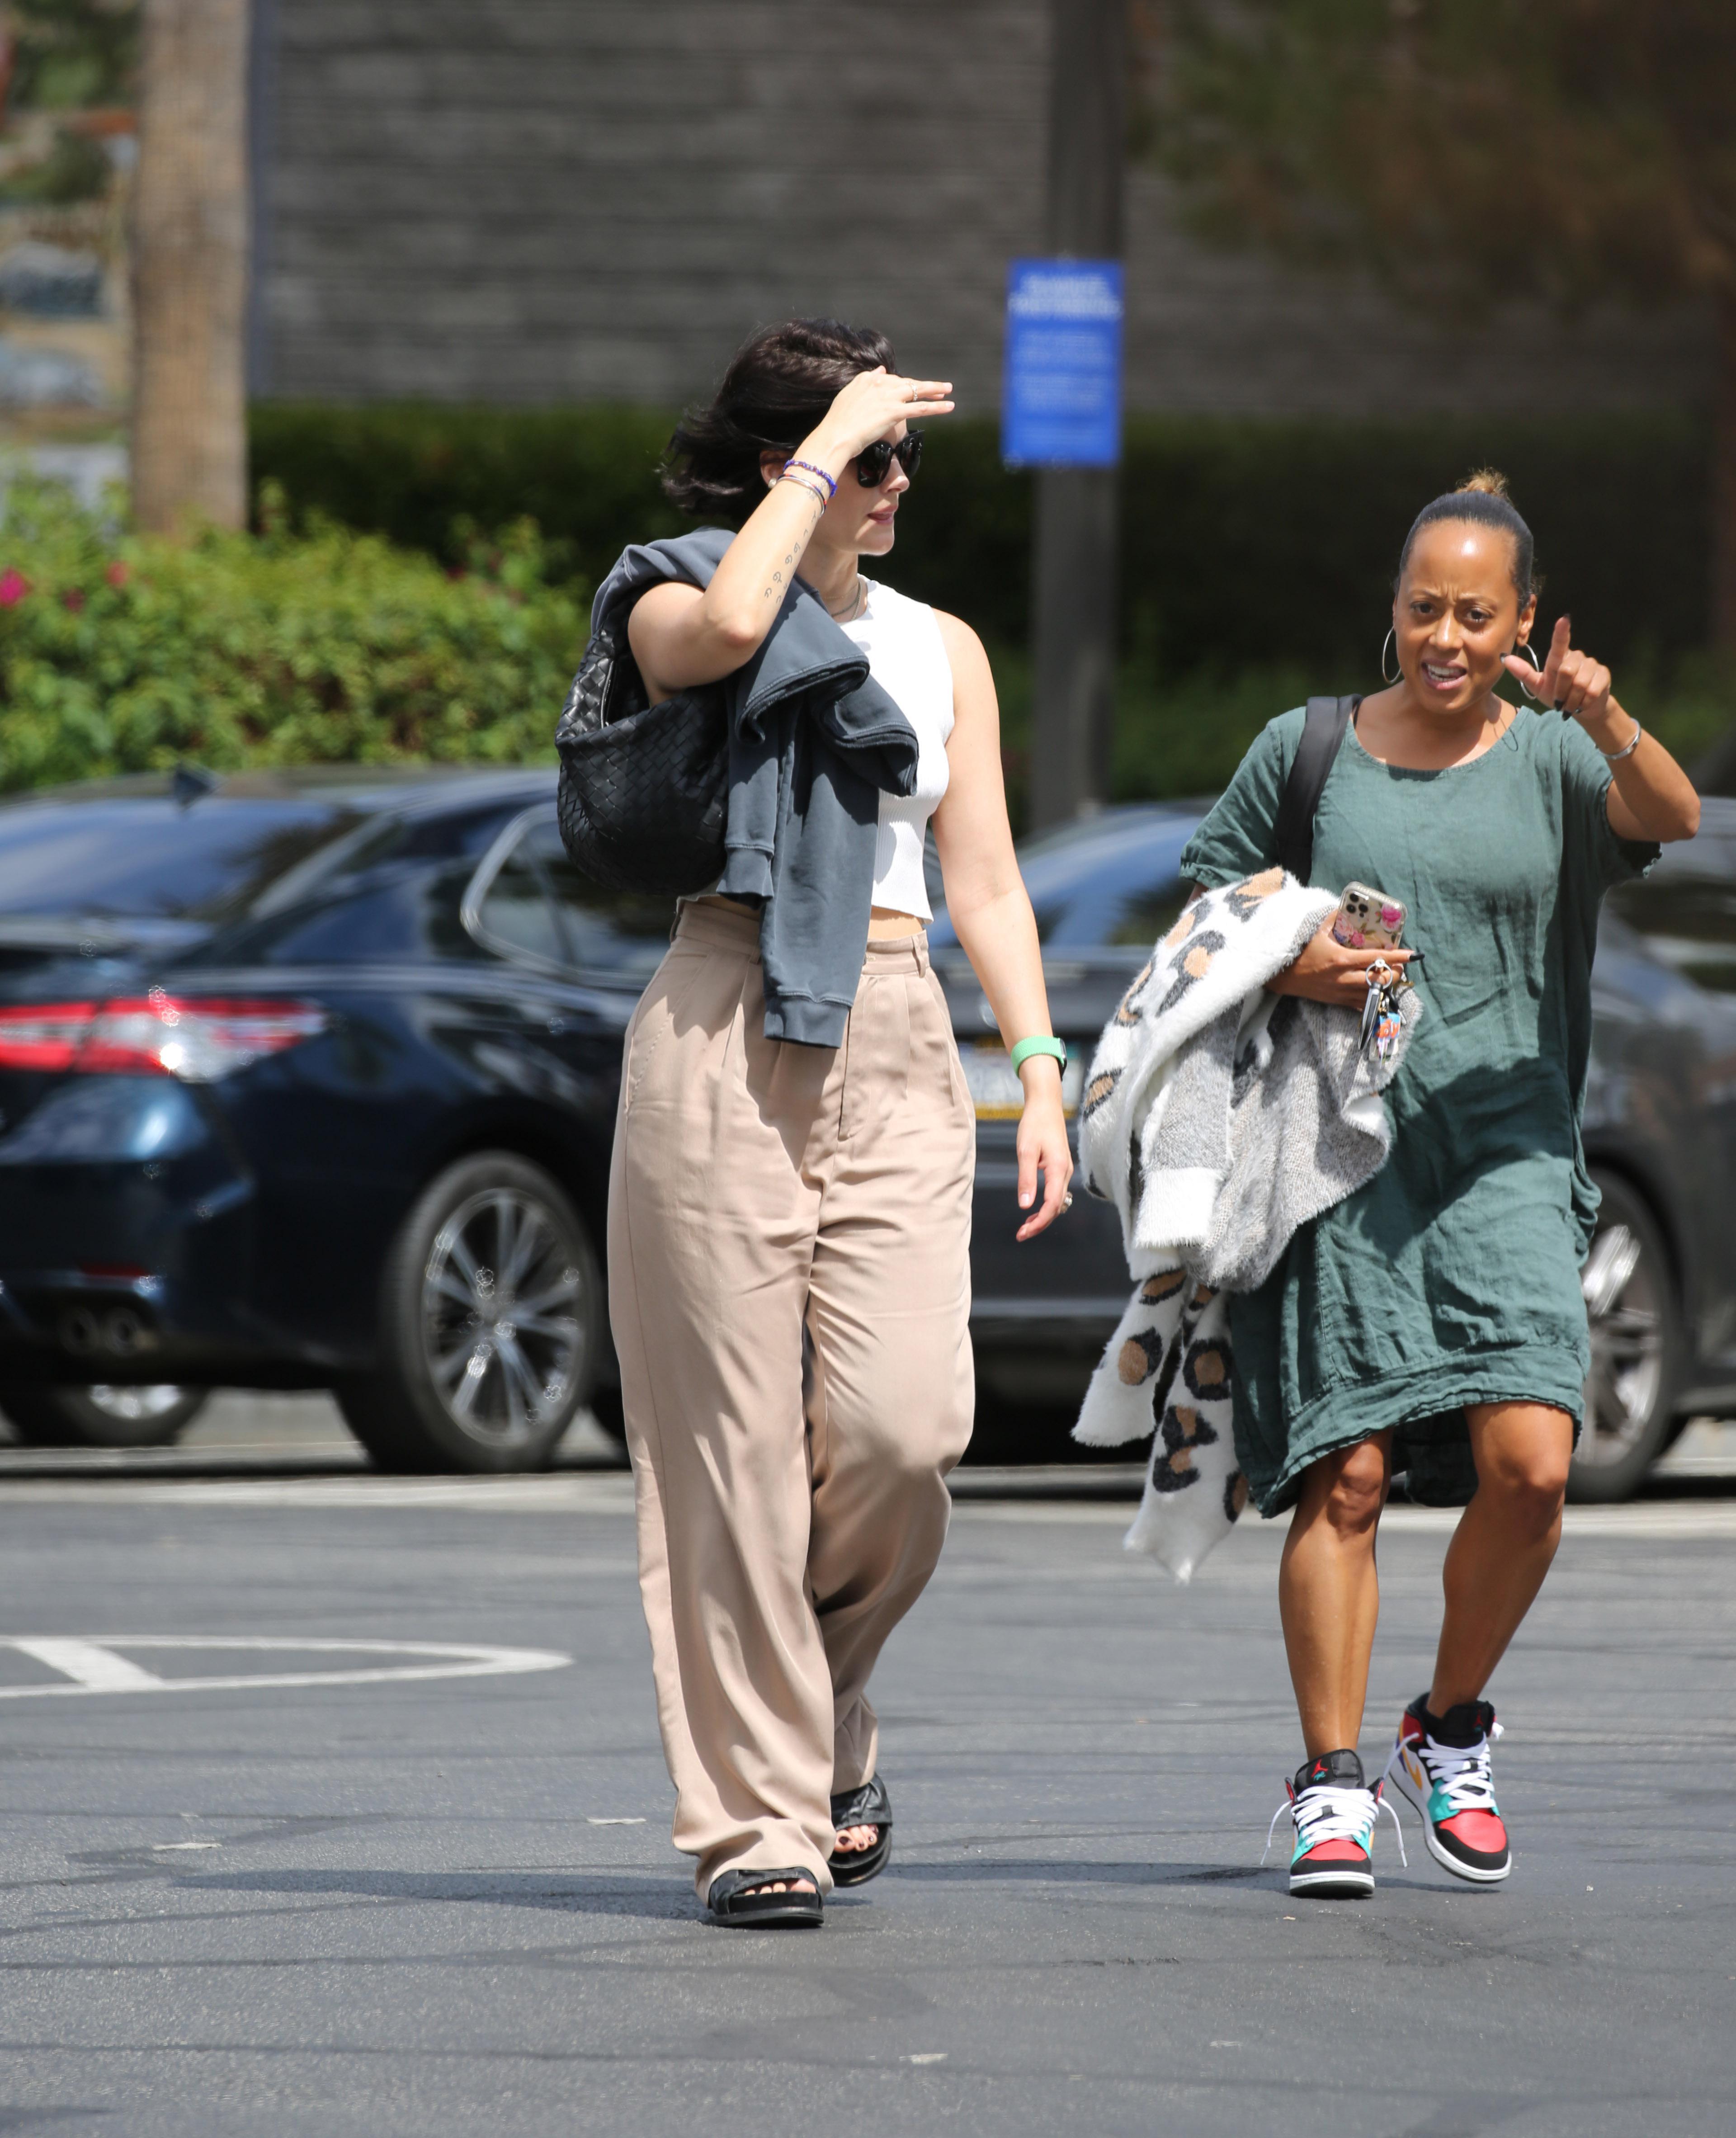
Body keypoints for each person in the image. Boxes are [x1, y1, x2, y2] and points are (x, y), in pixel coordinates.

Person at [607, 320, 1074, 1926]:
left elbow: (988, 877)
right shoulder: (670, 589)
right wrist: (815, 471)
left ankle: (824, 1699)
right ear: (782, 465)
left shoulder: (944, 649)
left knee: (902, 1430)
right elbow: (737, 621)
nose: (893, 484)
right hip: (721, 1011)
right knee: (727, 1455)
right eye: (869, 453)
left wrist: (1040, 1064)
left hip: (892, 1028)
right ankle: (761, 1827)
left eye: (901, 455)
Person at [1176, 472, 1699, 1898]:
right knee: (1342, 1477)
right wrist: (1291, 957)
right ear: (1391, 610)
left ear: (1525, 620)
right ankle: (1330, 1782)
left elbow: (1679, 811)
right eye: (1424, 608)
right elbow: (1206, 903)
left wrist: (1598, 708)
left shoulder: (1553, 760)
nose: (1446, 636)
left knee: (1534, 1463)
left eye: (1477, 613)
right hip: (1338, 1156)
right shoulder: (1311, 750)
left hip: (1511, 1157)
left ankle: (1447, 1724)